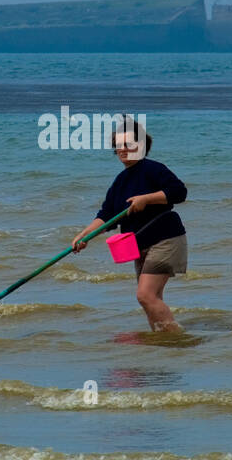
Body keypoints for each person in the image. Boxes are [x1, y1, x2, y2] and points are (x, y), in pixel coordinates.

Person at [72, 118, 188, 331]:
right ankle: (162, 343)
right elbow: (106, 215)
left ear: (141, 145)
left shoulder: (154, 170)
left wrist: (146, 199)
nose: (122, 150)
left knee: (145, 295)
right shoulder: (120, 181)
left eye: (127, 144)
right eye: (117, 146)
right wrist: (84, 235)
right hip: (139, 244)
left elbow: (179, 192)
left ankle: (178, 338)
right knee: (150, 299)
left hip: (166, 239)